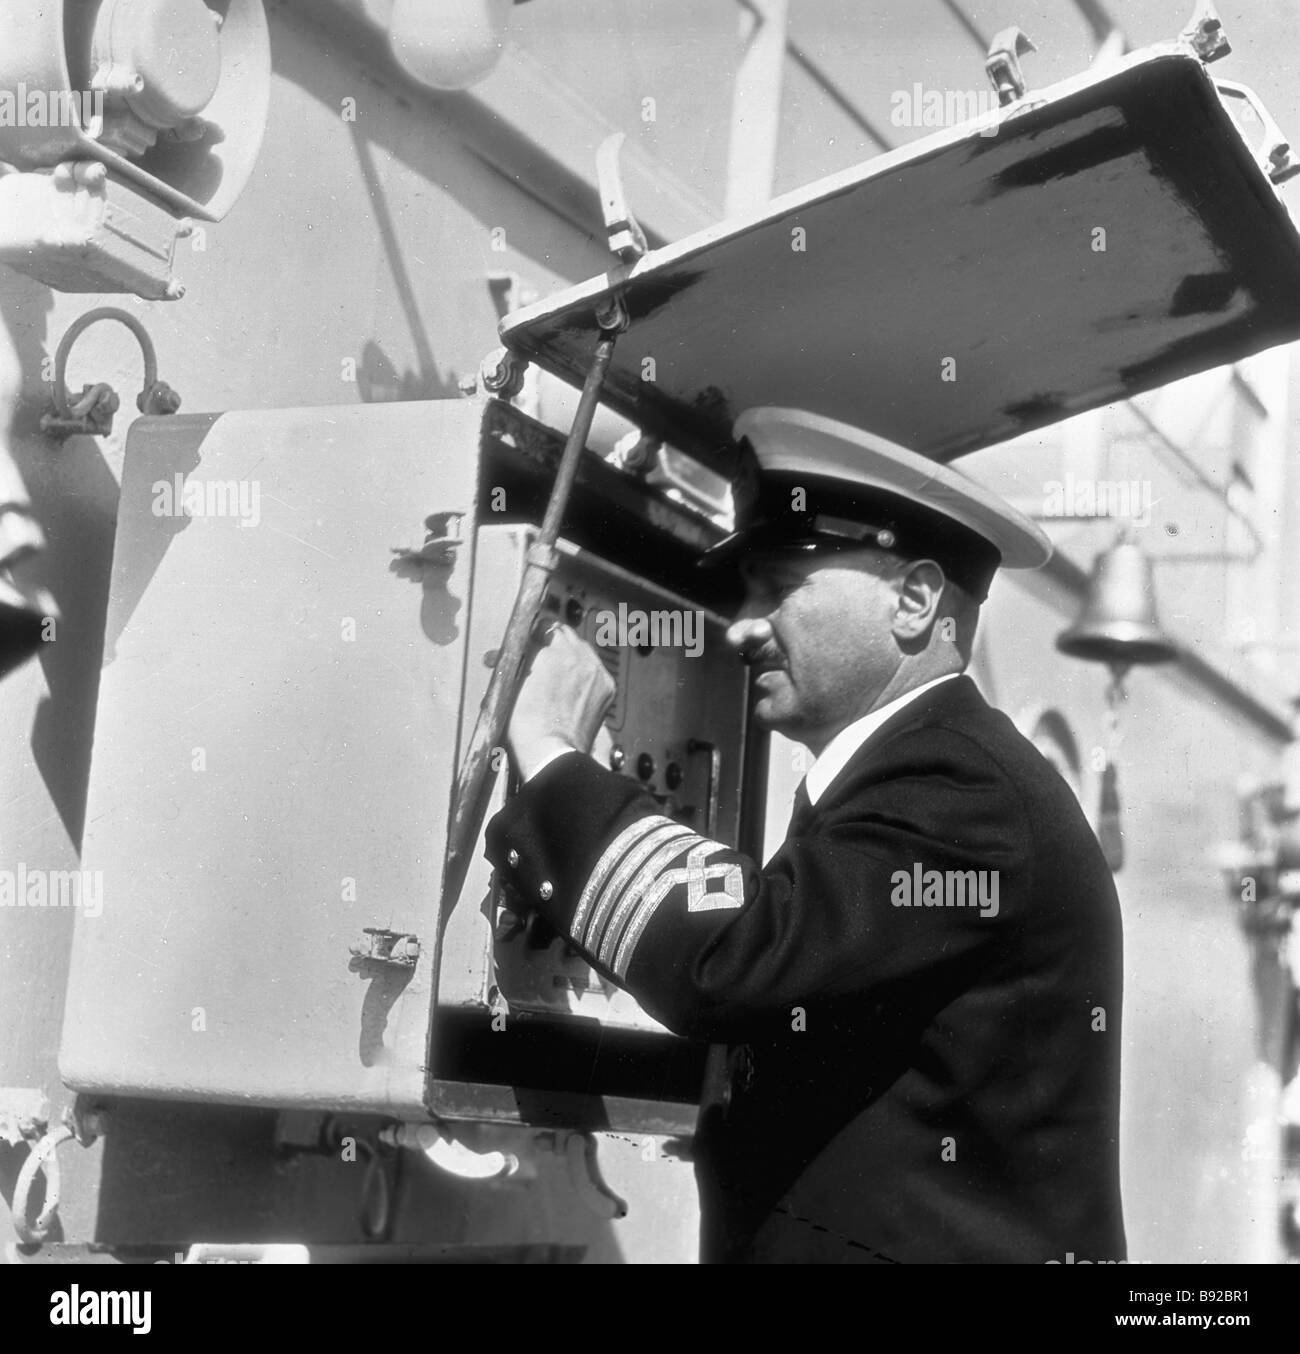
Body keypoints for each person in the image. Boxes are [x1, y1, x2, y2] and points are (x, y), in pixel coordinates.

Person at [485, 406, 1126, 1264]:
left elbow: (736, 956)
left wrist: (554, 756)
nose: (741, 625)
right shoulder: (895, 786)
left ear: (914, 599)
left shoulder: (962, 790)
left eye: (778, 585)